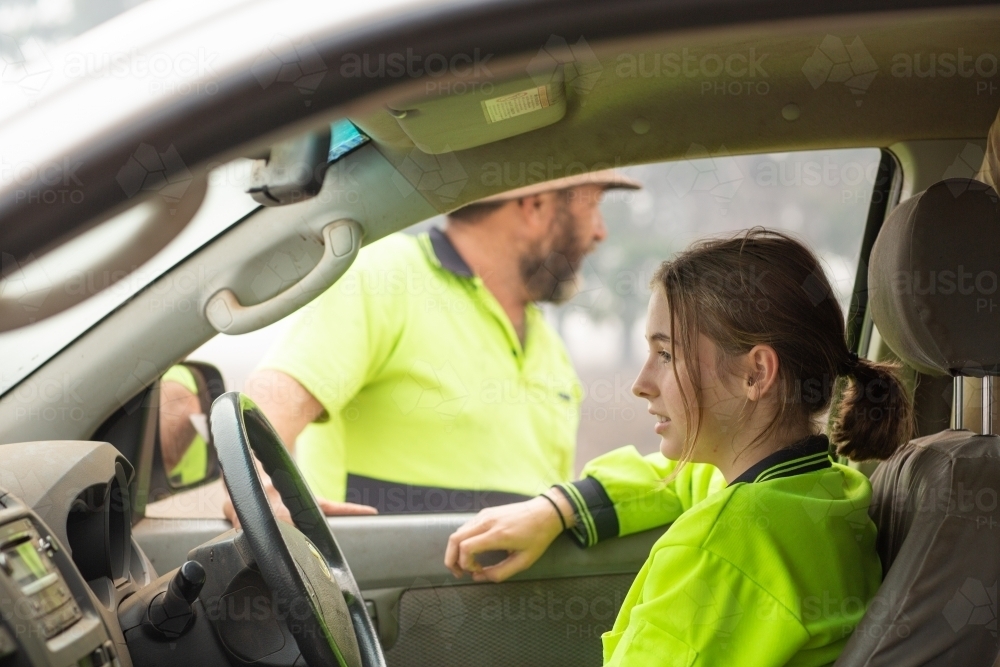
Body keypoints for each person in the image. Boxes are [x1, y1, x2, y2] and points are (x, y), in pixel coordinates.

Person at [445, 229, 913, 666]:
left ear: (756, 374)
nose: (640, 384)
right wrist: (559, 507)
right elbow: (679, 482)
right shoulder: (824, 489)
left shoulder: (721, 546)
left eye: (665, 354)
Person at [223, 170, 642, 523]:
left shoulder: (548, 343)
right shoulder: (384, 276)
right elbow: (269, 406)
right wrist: (251, 492)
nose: (600, 232)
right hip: (383, 610)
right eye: (592, 208)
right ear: (535, 207)